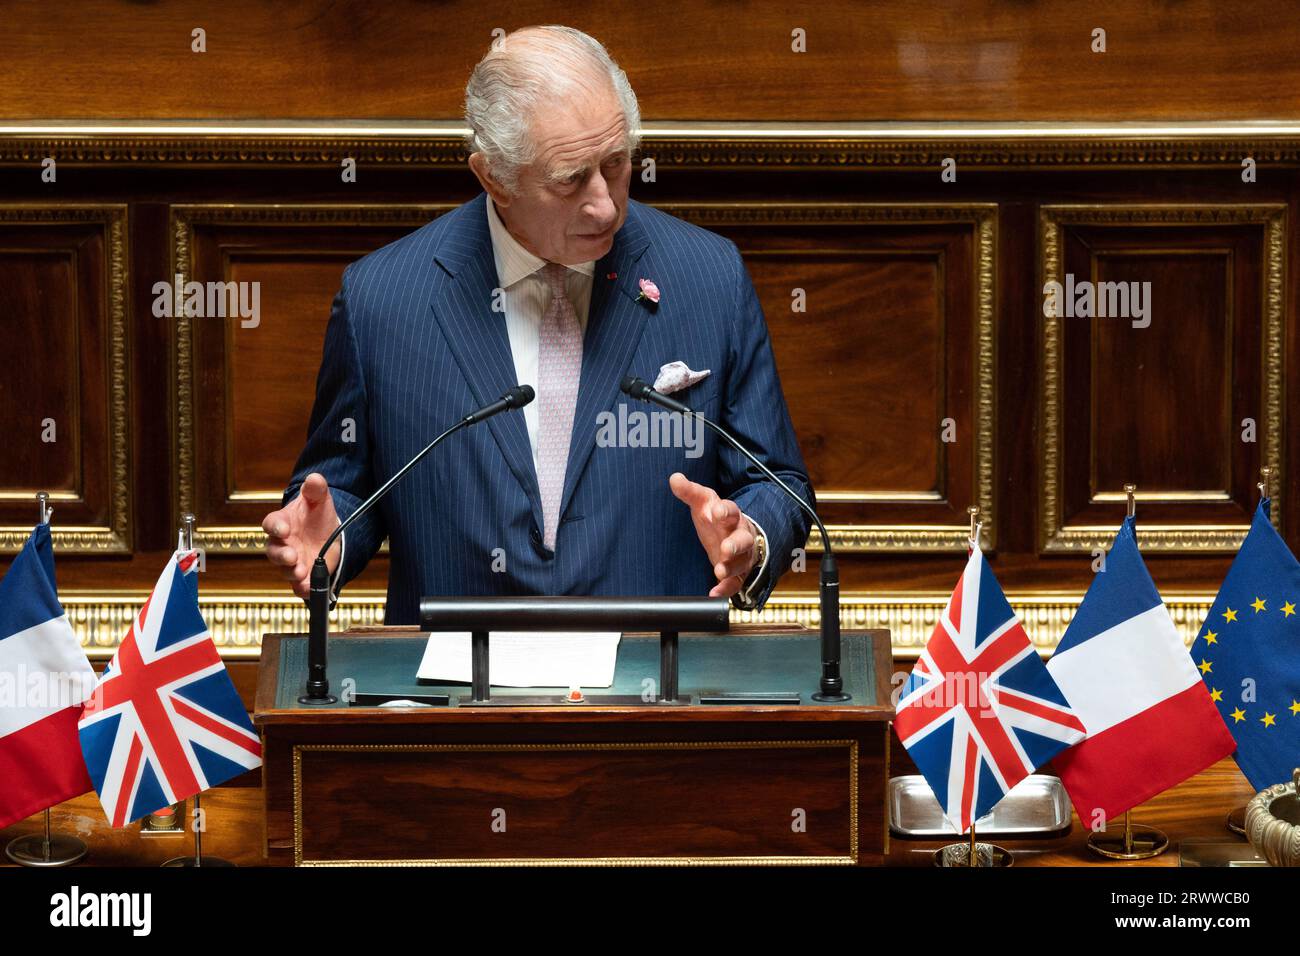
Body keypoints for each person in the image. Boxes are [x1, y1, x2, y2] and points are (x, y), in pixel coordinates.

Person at [262, 25, 812, 624]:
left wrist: (749, 538)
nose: (604, 203)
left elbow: (777, 481)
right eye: (571, 178)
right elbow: (347, 485)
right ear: (494, 176)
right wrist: (331, 537)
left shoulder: (709, 277)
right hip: (457, 695)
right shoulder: (382, 301)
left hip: (657, 688)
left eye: (617, 164)